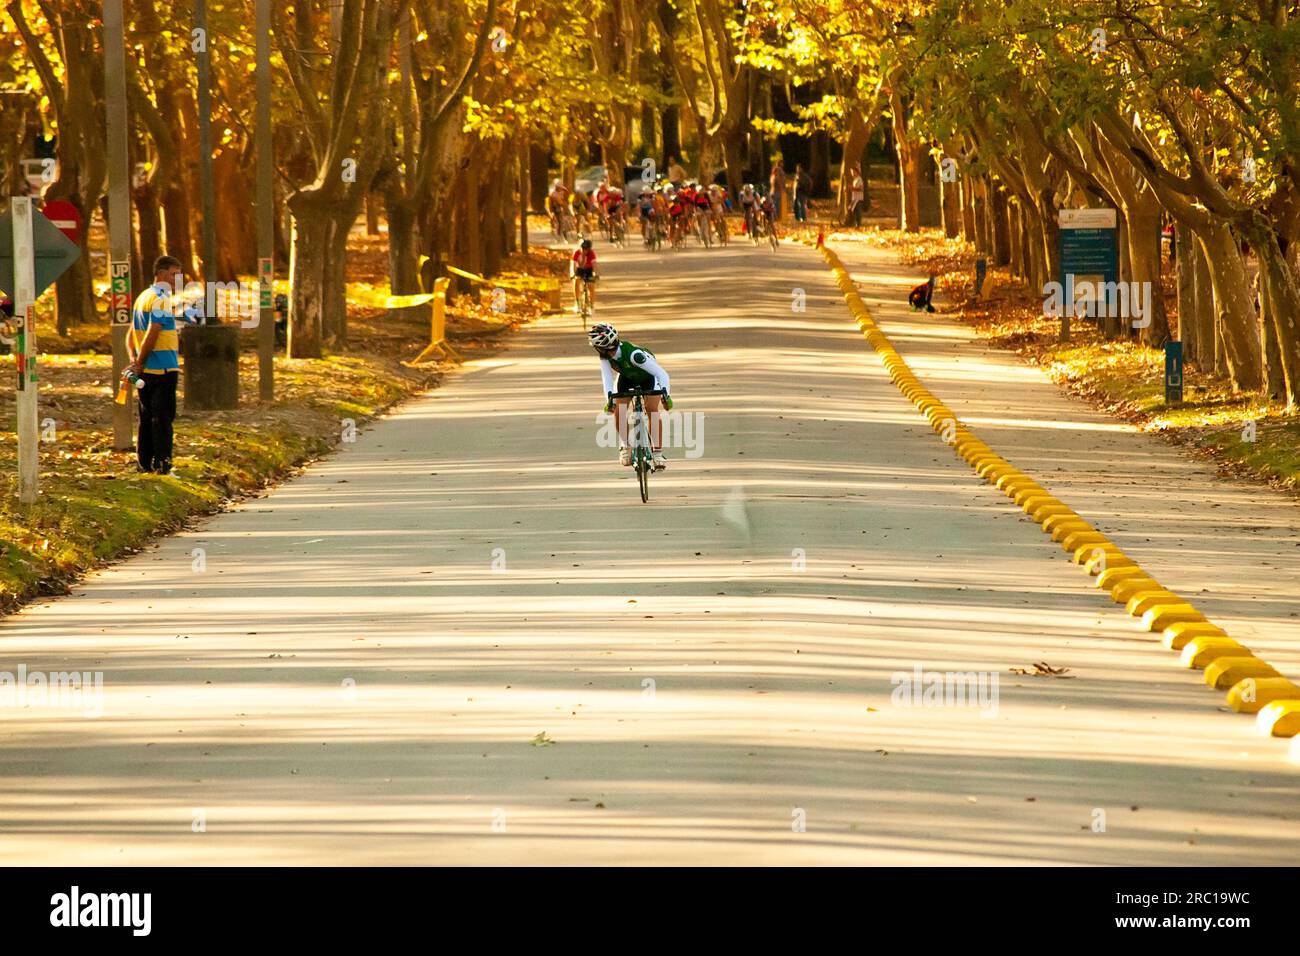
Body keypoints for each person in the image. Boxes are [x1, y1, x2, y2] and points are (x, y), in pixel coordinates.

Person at [126, 254, 199, 474]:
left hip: (146, 370)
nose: (179, 280)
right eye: (175, 275)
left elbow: (131, 333)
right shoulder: (161, 299)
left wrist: (134, 359)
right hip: (163, 368)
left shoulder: (143, 297)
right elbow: (153, 331)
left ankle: (144, 462)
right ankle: (163, 463)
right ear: (163, 274)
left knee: (146, 416)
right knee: (163, 418)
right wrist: (139, 361)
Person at [588, 322, 672, 470]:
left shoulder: (635, 355)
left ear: (602, 348)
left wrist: (666, 395)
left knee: (652, 409)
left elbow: (661, 374)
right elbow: (606, 378)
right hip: (626, 378)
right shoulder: (605, 357)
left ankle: (657, 453)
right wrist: (609, 400)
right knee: (618, 409)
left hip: (648, 378)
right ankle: (625, 446)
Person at [571, 238, 598, 313]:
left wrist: (595, 274)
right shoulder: (577, 253)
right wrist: (574, 273)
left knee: (591, 286)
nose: (585, 250)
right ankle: (577, 302)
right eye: (583, 248)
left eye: (587, 249)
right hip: (580, 270)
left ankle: (592, 305)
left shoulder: (591, 253)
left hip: (589, 270)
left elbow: (594, 264)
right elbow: (574, 264)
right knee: (577, 281)